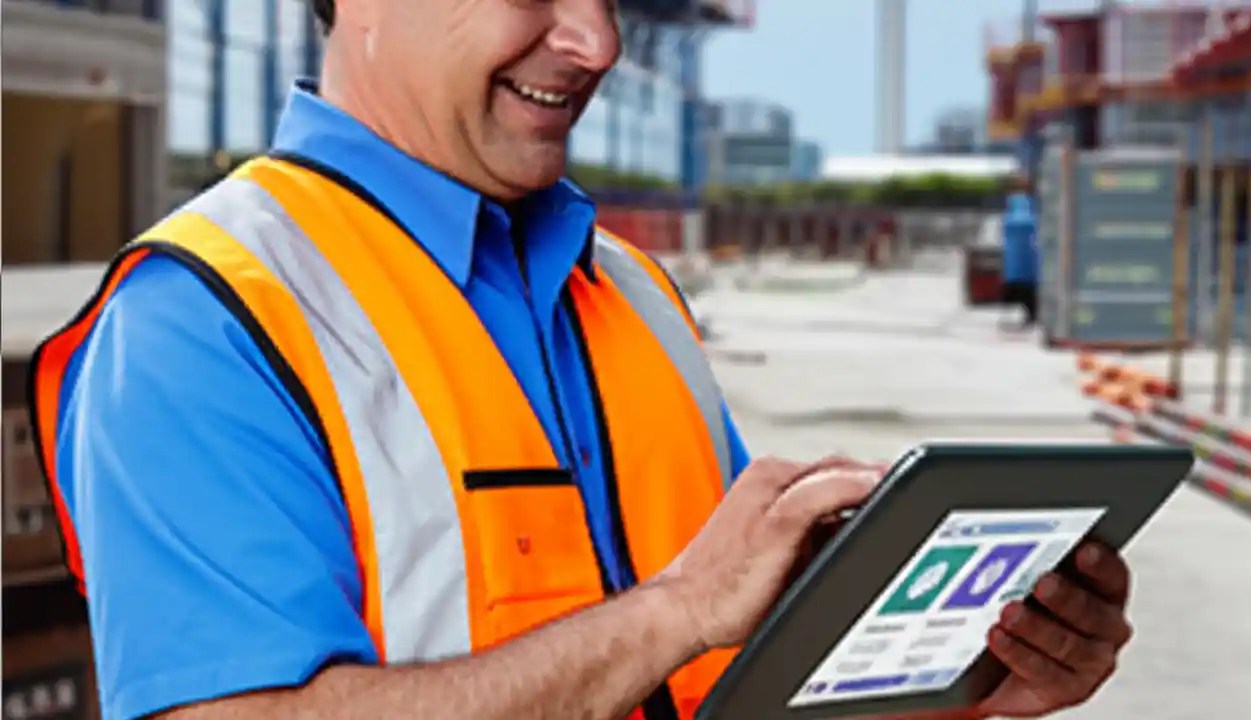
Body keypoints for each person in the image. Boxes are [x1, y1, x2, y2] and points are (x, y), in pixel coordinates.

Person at [29, 2, 1135, 719]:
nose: (596, 43)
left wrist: (971, 686)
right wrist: (670, 611)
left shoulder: (631, 292)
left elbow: (728, 676)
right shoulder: (203, 318)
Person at [1001, 174, 1040, 329]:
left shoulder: (1018, 204)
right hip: (1024, 251)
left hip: (1022, 251)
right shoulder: (1025, 204)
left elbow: (1018, 222)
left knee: (1024, 285)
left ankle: (1031, 313)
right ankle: (1031, 313)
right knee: (1027, 285)